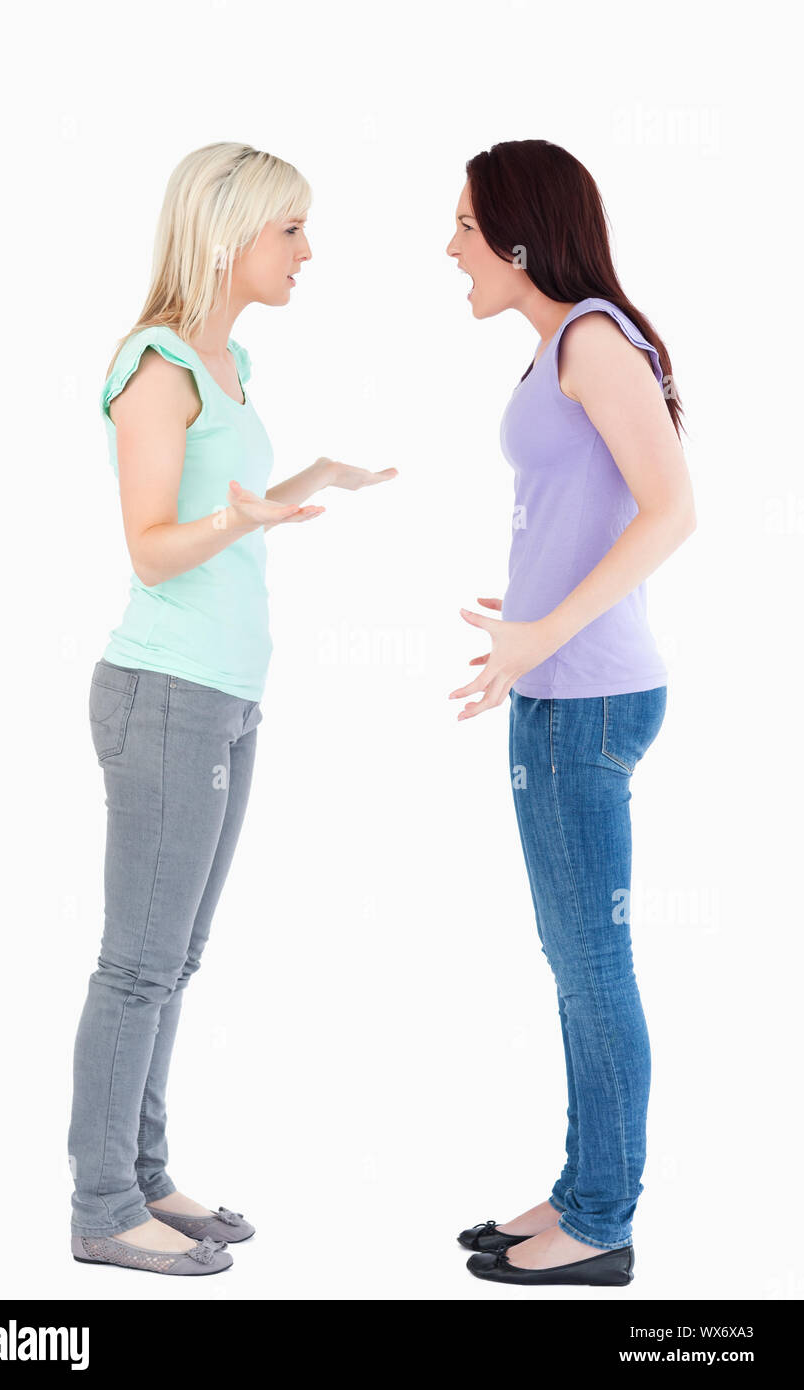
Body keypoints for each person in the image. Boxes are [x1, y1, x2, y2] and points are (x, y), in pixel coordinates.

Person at [67, 142, 396, 1276]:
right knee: (139, 964)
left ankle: (147, 1176)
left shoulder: (229, 358)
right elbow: (155, 550)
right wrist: (250, 519)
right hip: (163, 692)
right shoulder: (157, 366)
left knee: (178, 954)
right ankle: (105, 1204)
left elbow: (229, 502)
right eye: (289, 230)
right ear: (227, 235)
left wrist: (310, 481)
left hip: (222, 697)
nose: (306, 252)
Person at [447, 140, 696, 1287]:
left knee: (593, 965)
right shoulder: (560, 344)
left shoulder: (592, 338)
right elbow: (582, 505)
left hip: (584, 697)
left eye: (461, 225)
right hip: (555, 685)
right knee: (571, 960)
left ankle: (601, 1218)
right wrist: (531, 603)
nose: (448, 247)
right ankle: (578, 1181)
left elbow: (670, 510)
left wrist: (544, 632)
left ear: (512, 237)